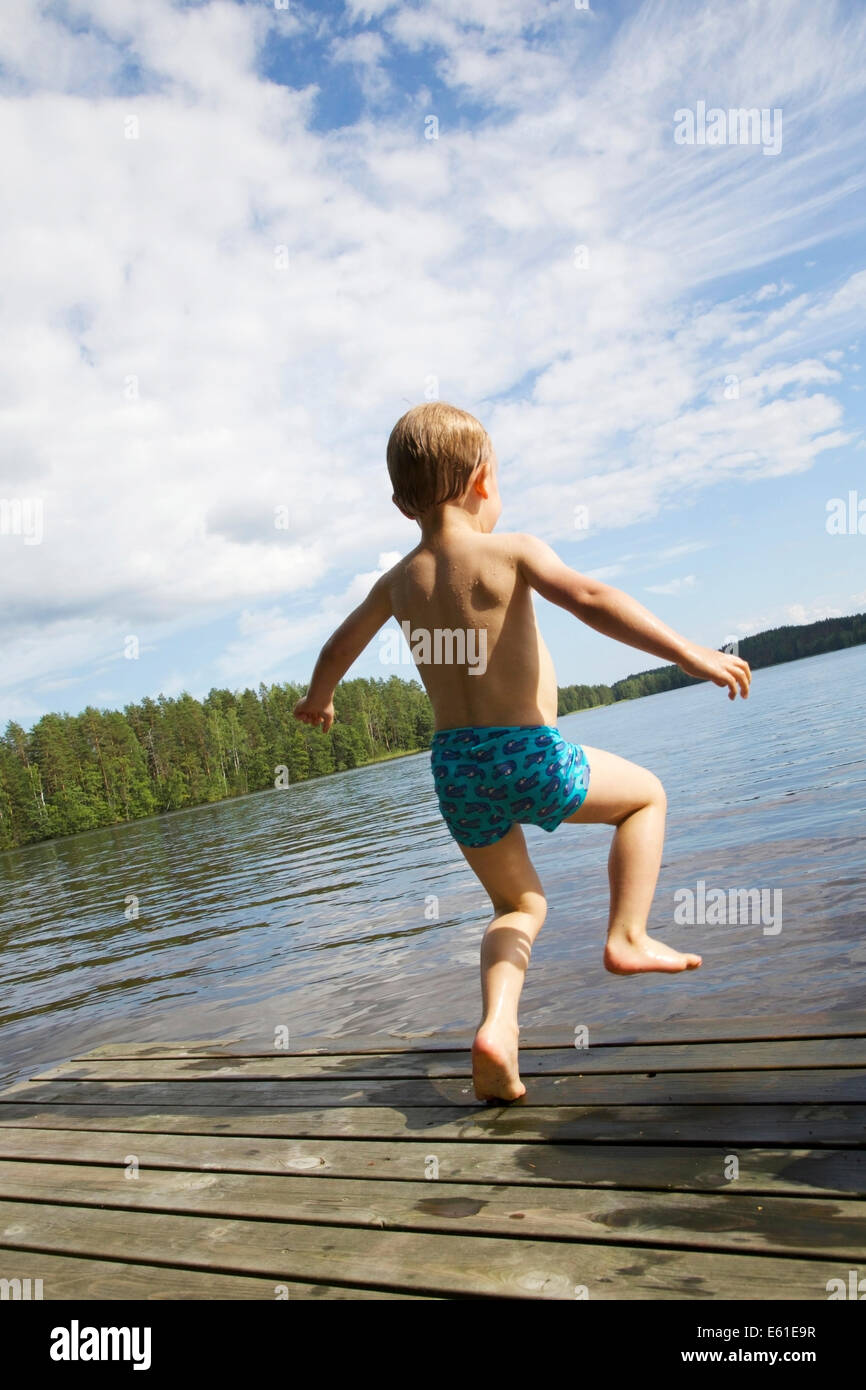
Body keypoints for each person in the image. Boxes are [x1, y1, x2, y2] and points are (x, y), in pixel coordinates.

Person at [294, 402, 751, 1101]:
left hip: (456, 770)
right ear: (483, 481)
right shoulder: (511, 551)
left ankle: (498, 1031)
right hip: (528, 753)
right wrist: (689, 652)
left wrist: (321, 698)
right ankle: (627, 934)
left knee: (519, 906)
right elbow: (592, 597)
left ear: (399, 503)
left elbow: (338, 647)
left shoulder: (396, 582)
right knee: (646, 797)